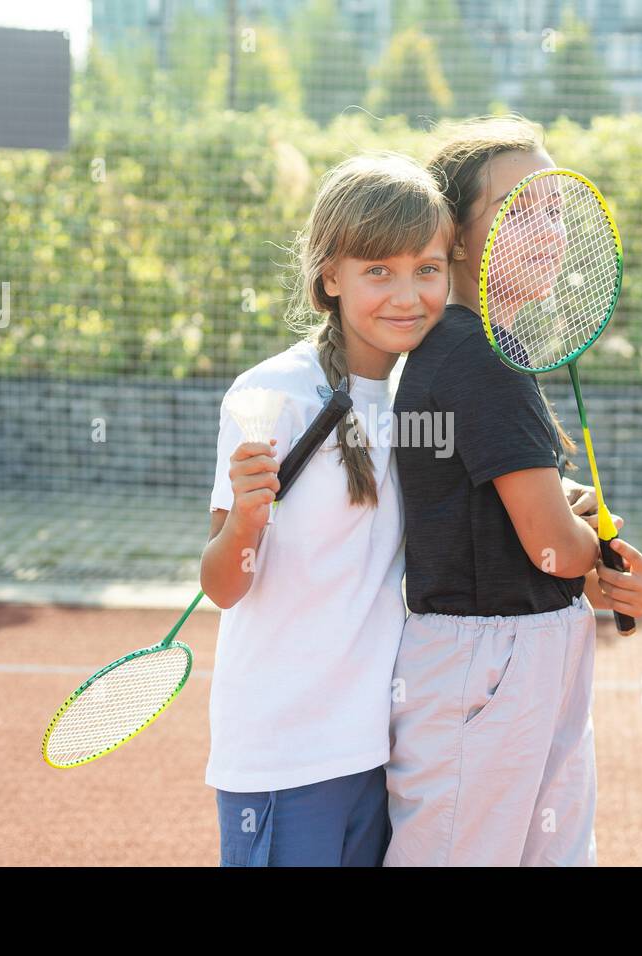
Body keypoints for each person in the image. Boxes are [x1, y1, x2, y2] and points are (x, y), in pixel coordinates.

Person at [385, 115, 642, 867]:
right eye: (517, 209)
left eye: (552, 208)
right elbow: (550, 548)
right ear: (457, 240)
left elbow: (502, 499)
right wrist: (593, 549)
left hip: (521, 654)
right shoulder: (479, 359)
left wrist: (576, 519)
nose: (547, 228)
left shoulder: (474, 349)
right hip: (490, 662)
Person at [200, 152, 454, 866]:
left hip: (376, 748)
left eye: (426, 269)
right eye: (378, 270)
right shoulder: (272, 394)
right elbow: (222, 586)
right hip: (283, 756)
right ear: (329, 276)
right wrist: (248, 516)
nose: (407, 294)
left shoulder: (420, 396)